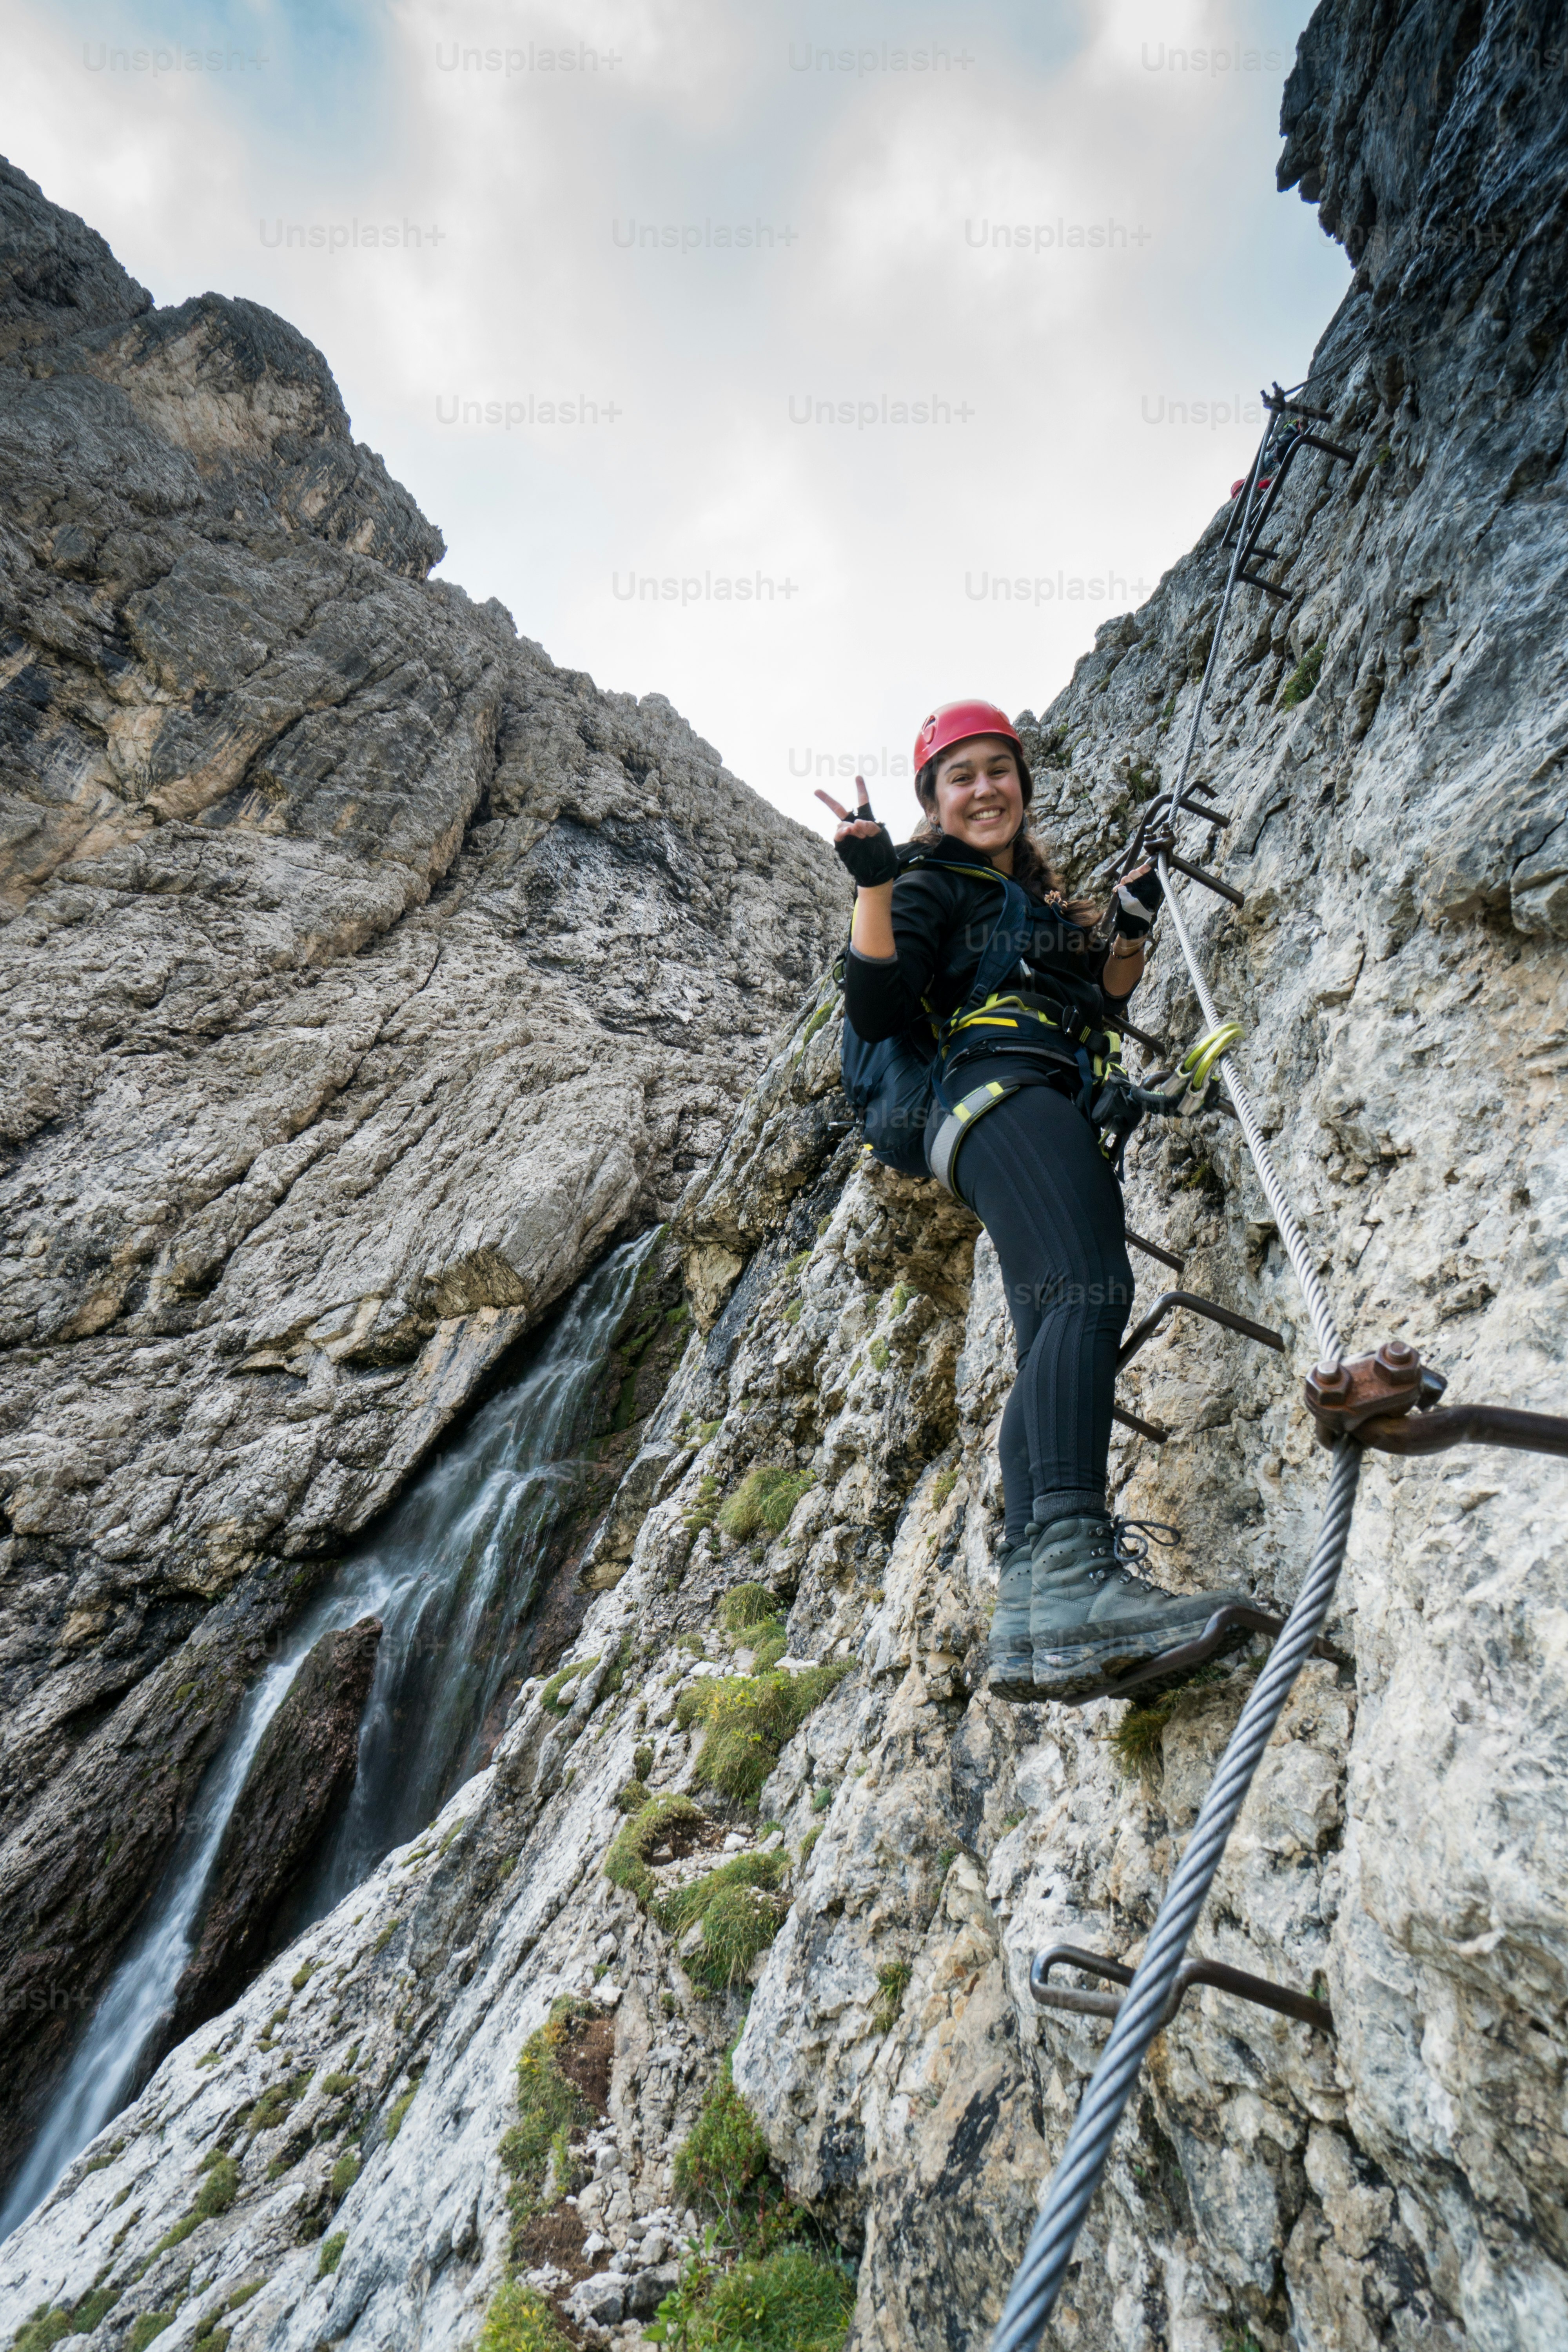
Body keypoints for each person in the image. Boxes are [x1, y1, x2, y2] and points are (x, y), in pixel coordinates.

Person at [818, 699, 1250, 1704]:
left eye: (996, 769)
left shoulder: (1026, 904)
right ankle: (1072, 1580)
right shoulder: (925, 883)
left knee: (1053, 1322)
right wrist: (876, 888)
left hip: (1012, 1104)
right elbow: (877, 1004)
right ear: (932, 800)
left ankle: (1029, 1612)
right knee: (1086, 1293)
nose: (983, 789)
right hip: (1002, 1094)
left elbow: (1101, 1000)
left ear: (1021, 782)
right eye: (958, 776)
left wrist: (1129, 925)